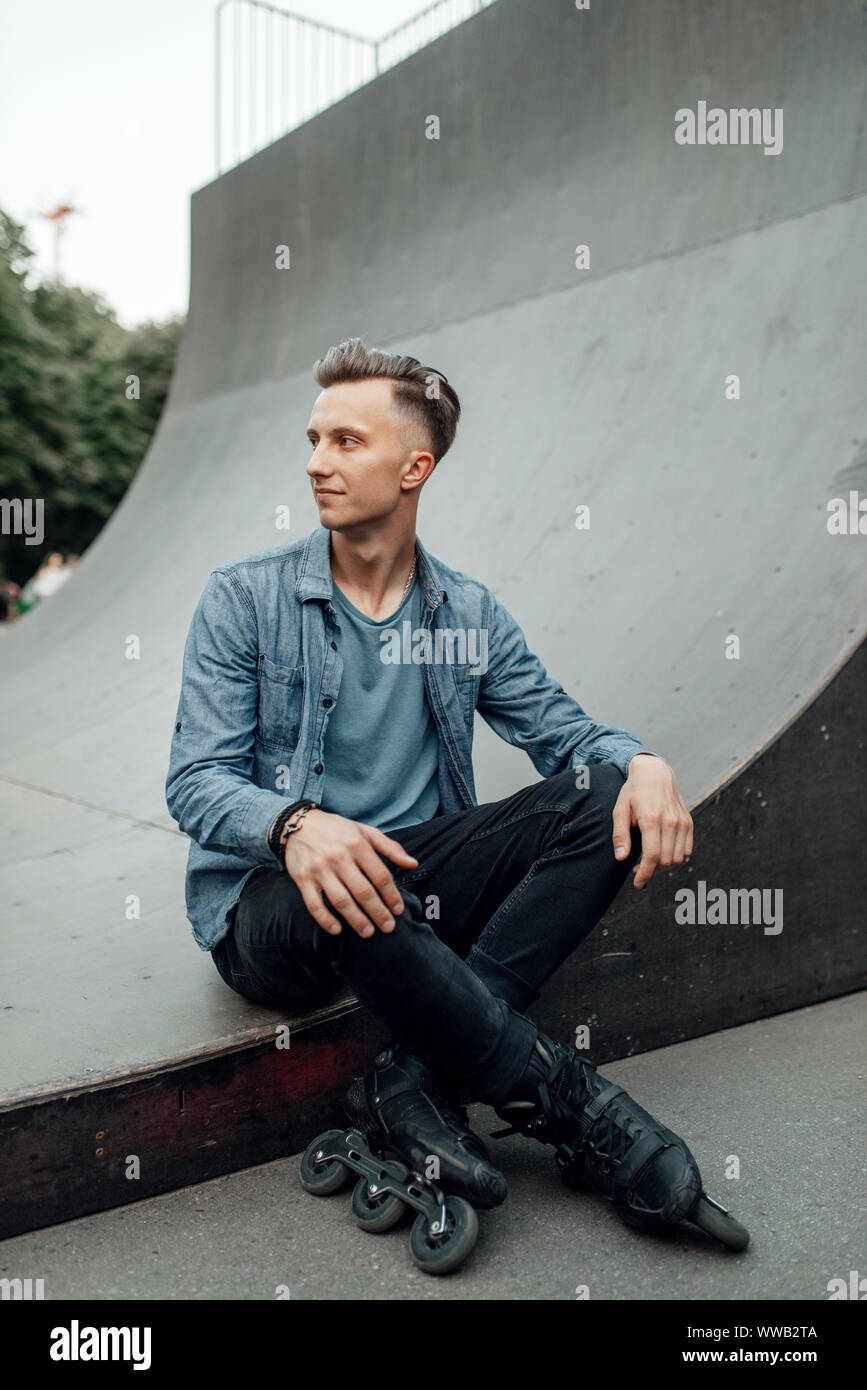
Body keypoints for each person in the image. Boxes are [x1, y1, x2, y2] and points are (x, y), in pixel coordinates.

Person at [166, 338, 719, 1237]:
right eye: (312, 439)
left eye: (346, 441)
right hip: (274, 908)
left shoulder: (463, 613)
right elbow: (195, 782)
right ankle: (571, 1106)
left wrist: (643, 762)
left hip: (412, 890)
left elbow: (568, 736)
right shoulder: (246, 598)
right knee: (350, 874)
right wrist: (298, 825)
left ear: (414, 465)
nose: (315, 463)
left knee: (603, 793)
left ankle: (415, 1074)